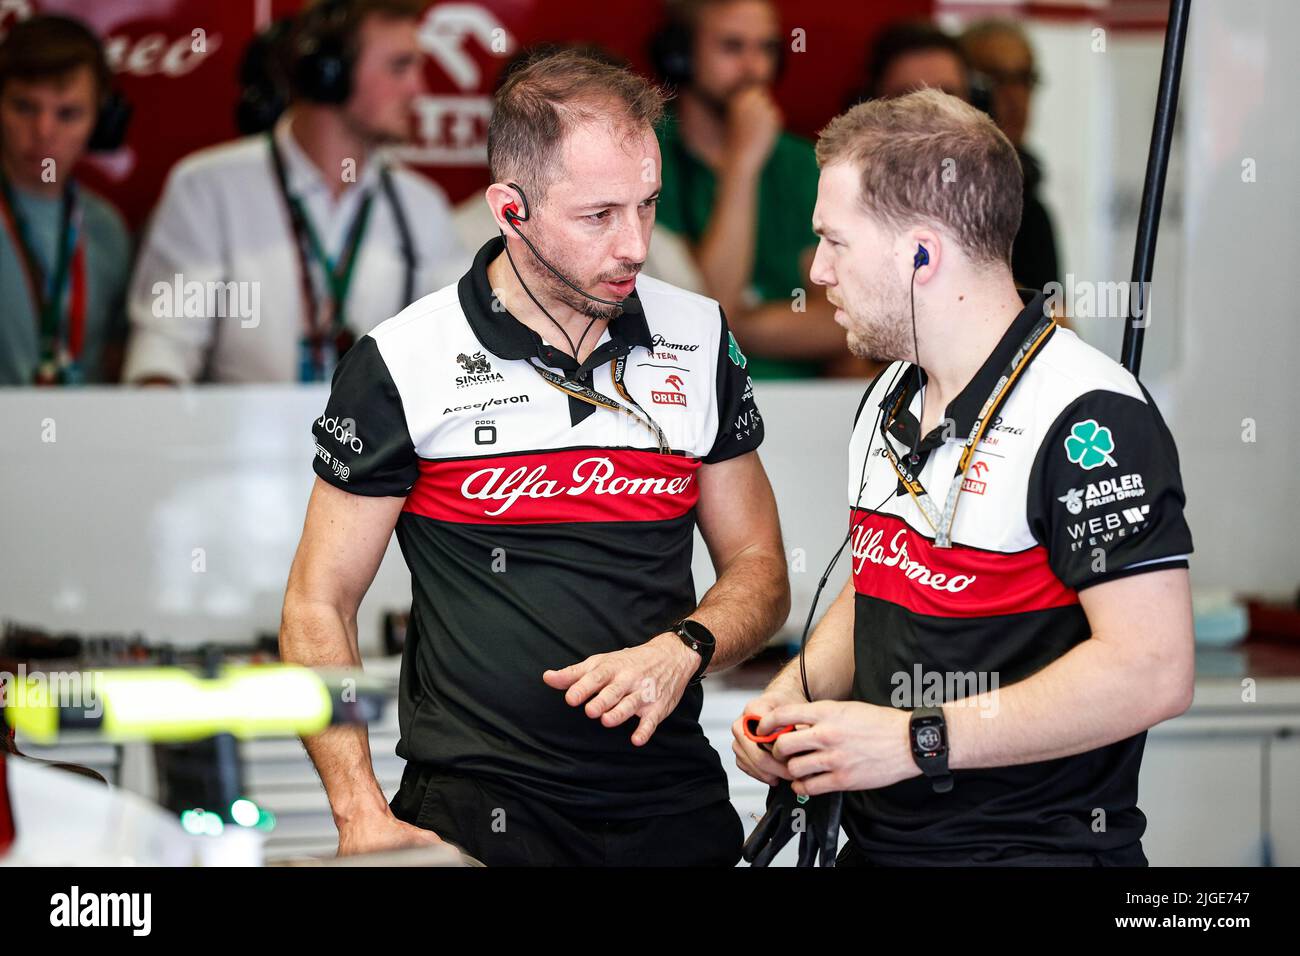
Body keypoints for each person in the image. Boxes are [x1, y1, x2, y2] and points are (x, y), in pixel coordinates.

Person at [280, 50, 791, 866]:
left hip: (669, 806)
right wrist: (357, 813)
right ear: (509, 209)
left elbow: (762, 568)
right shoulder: (404, 358)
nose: (635, 245)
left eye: (648, 205)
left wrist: (683, 648)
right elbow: (317, 605)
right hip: (478, 812)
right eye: (599, 216)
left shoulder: (698, 335)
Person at [736, 90, 1194, 866]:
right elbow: (887, 577)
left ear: (921, 253)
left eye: (835, 242)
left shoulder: (1089, 414)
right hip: (877, 845)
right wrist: (797, 693)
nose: (818, 271)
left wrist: (916, 740)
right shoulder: (890, 394)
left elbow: (1152, 670)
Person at [122, 0, 463, 384]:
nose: (419, 88)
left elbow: (457, 348)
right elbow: (163, 351)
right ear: (328, 75)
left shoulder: (421, 205)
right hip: (236, 442)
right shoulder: (208, 187)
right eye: (400, 66)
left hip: (376, 444)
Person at [651, 0, 849, 378]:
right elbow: (707, 307)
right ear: (679, 57)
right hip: (693, 393)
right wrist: (742, 165)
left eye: (767, 48)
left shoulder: (802, 161)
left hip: (807, 403)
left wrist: (735, 324)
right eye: (732, 47)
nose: (754, 68)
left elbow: (845, 319)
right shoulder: (650, 155)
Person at [0, 15, 131, 386]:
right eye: (24, 107)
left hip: (83, 438)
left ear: (101, 120)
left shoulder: (108, 229)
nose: (43, 132)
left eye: (67, 114)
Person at [960, 18, 1060, 294]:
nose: (1014, 97)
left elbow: (1053, 320)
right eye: (995, 79)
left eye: (1024, 79)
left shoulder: (1033, 211)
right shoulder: (940, 195)